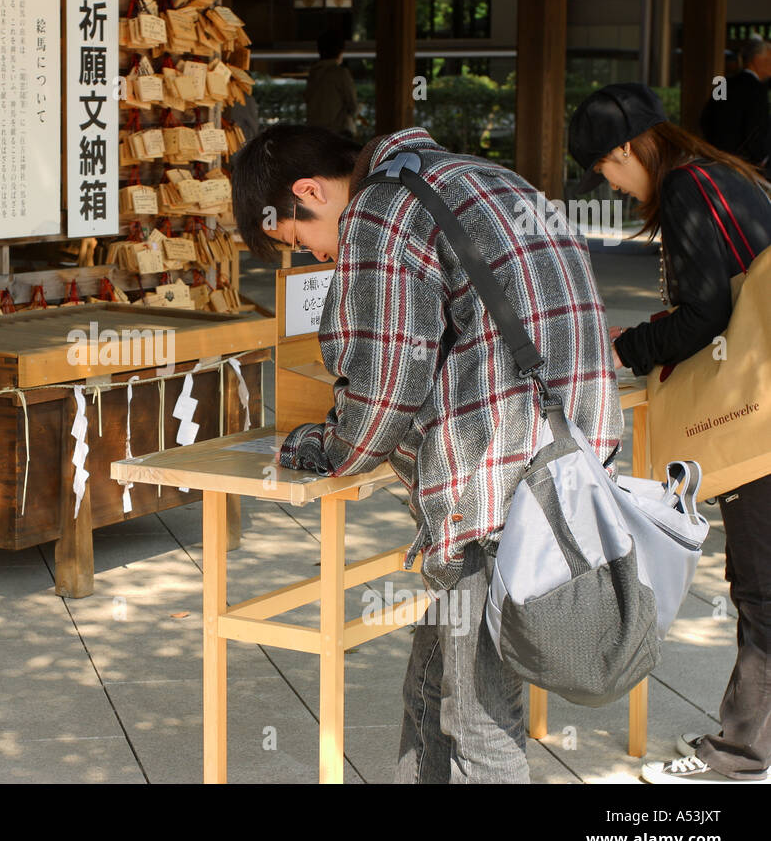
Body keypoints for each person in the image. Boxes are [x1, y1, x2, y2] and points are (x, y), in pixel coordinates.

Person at [231, 123, 622, 783]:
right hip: (574, 464)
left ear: (308, 191)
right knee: (437, 679)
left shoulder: (382, 207)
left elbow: (385, 389)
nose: (321, 259)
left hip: (499, 487)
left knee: (480, 726)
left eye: (302, 240)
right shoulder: (486, 176)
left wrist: (325, 447)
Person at [569, 82, 771, 784]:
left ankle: (740, 756)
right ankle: (745, 743)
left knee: (760, 586)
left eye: (608, 171)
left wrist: (624, 350)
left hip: (755, 415)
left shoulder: (687, 186)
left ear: (627, 147)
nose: (615, 186)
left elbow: (706, 315)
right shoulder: (731, 174)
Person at [700, 34, 771, 170]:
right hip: (744, 162)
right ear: (757, 60)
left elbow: (706, 119)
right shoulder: (758, 89)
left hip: (717, 156)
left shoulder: (723, 83)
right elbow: (754, 127)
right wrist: (760, 158)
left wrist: (713, 148)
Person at [304, 31, 358, 140]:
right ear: (340, 51)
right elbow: (352, 105)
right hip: (335, 134)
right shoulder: (340, 73)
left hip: (314, 134)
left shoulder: (313, 74)